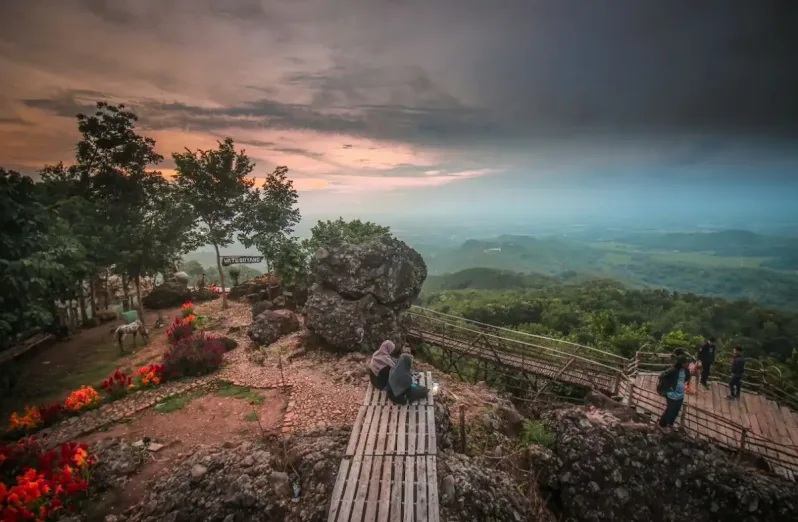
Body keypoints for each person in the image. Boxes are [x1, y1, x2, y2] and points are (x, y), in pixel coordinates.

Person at [658, 354, 689, 429]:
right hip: (671, 394)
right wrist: (669, 387)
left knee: (676, 411)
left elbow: (687, 378)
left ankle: (670, 424)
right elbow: (661, 376)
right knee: (670, 410)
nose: (688, 364)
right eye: (686, 363)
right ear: (682, 364)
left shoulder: (686, 371)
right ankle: (662, 425)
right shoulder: (673, 370)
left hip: (680, 394)